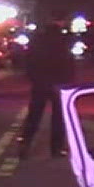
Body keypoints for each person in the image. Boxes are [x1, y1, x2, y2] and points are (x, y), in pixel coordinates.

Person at [19, 16, 74, 157]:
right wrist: (68, 81)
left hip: (40, 82)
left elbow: (29, 60)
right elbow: (67, 63)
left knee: (34, 115)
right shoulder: (63, 40)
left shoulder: (37, 39)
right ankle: (56, 148)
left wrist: (32, 78)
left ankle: (25, 143)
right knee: (58, 118)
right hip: (58, 83)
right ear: (61, 23)